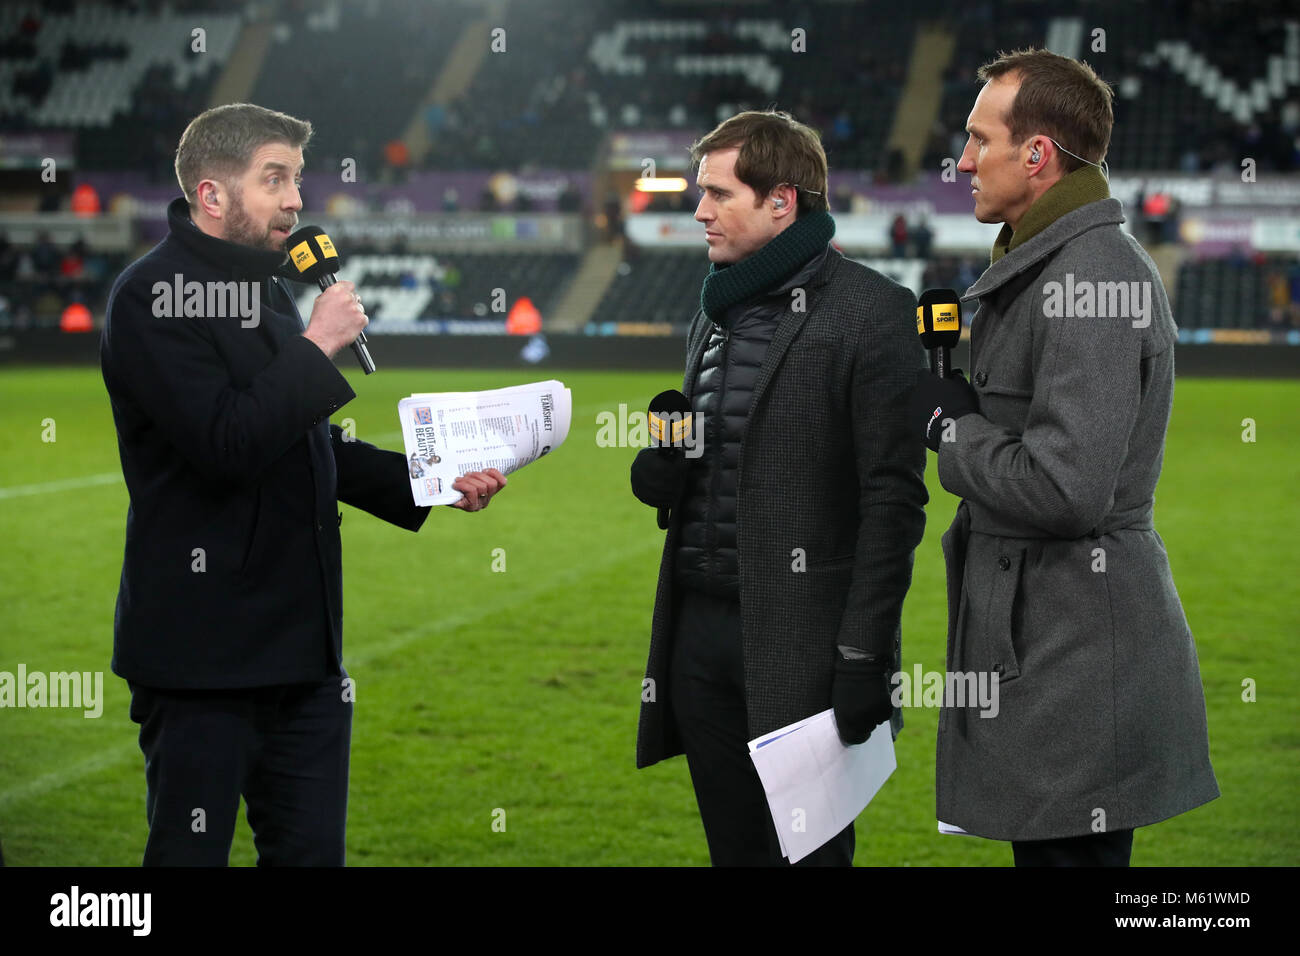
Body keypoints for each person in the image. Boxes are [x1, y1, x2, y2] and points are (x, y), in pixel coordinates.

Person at [101, 103, 506, 866]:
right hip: (204, 662)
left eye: (297, 178)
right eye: (275, 179)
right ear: (213, 195)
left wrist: (430, 481)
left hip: (306, 661)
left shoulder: (264, 289)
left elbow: (305, 442)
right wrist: (319, 345)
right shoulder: (152, 295)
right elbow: (227, 444)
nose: (296, 198)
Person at [908, 49, 1218, 867]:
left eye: (979, 141)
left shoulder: (1093, 275)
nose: (963, 161)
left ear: (1037, 154)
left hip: (1079, 658)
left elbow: (1065, 487)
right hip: (1054, 649)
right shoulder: (1052, 263)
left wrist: (950, 432)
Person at [630, 110, 927, 866]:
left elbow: (893, 503)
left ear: (782, 202)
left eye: (718, 194)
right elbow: (713, 464)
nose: (699, 211)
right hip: (698, 638)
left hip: (807, 646)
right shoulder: (714, 311)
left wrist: (863, 653)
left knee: (811, 861)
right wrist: (662, 469)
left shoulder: (875, 311)